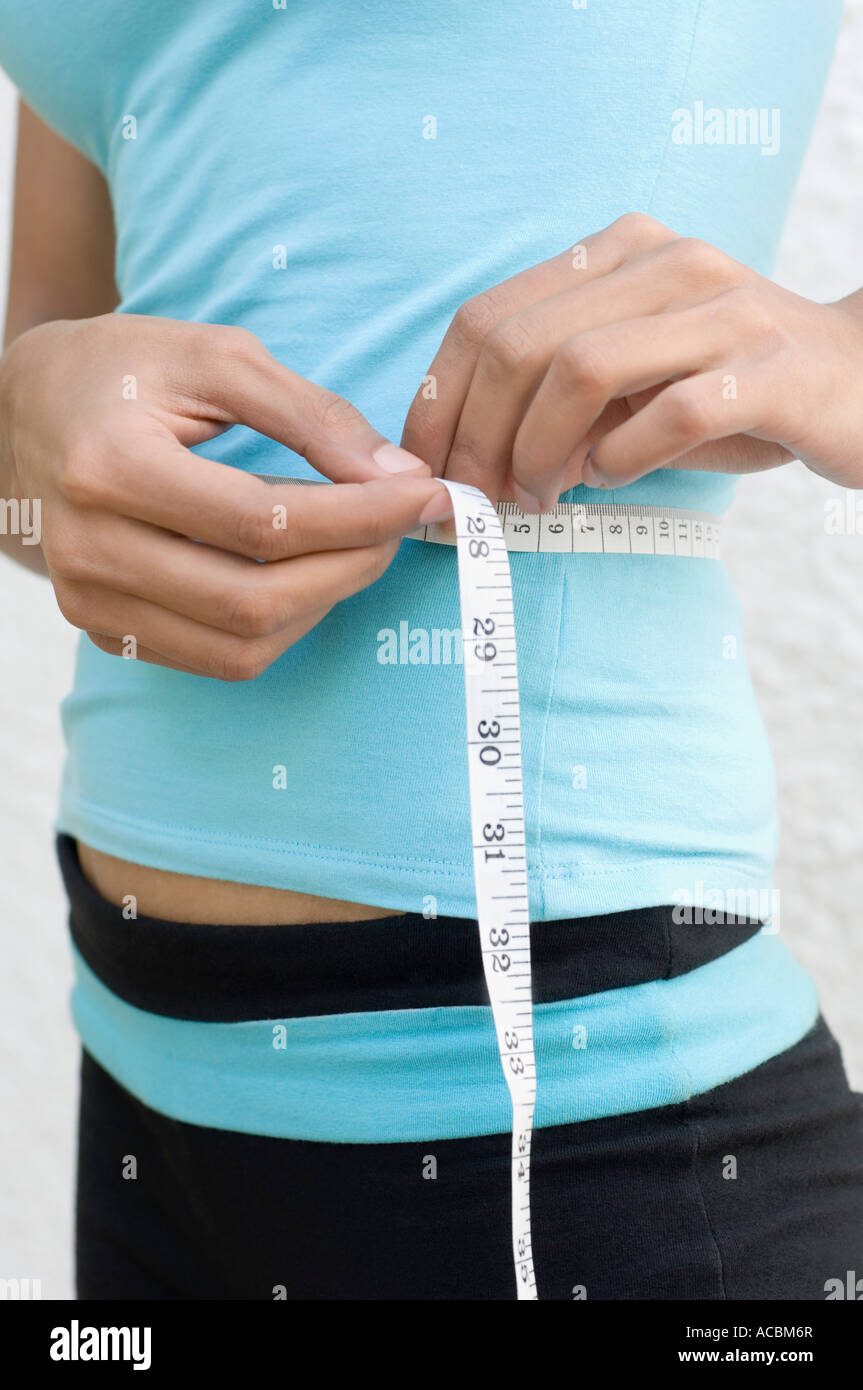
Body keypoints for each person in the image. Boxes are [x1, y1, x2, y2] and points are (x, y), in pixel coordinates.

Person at [1, 1, 861, 1300]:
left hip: (596, 1110)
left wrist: (842, 357)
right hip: (138, 1073)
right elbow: (54, 343)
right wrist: (25, 434)